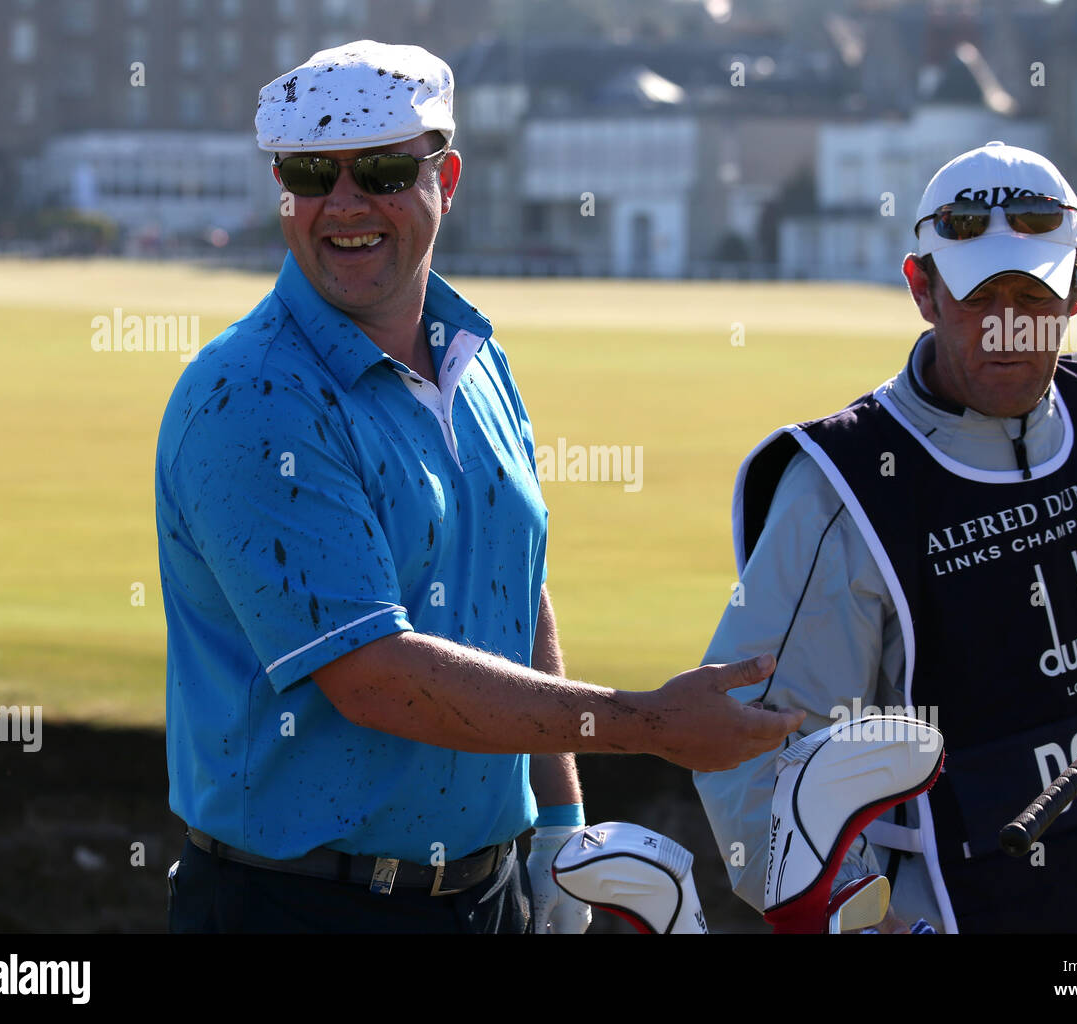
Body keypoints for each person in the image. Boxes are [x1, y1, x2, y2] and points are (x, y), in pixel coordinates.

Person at [155, 39, 803, 935]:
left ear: (445, 178)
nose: (344, 204)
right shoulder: (252, 398)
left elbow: (514, 589)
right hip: (297, 907)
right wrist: (647, 724)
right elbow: (374, 677)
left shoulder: (475, 355)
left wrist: (560, 831)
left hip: (485, 898)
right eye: (311, 173)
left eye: (382, 170)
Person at [694, 141, 1077, 933]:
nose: (1009, 325)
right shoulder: (842, 488)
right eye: (980, 295)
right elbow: (753, 753)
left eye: (1034, 292)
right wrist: (861, 919)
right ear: (923, 289)